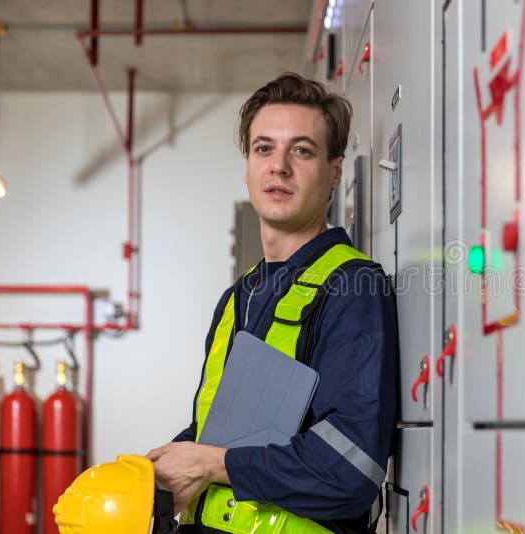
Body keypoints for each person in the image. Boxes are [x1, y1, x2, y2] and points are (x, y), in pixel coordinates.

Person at [147, 72, 398, 534]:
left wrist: (209, 465)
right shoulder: (238, 297)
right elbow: (221, 436)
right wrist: (158, 468)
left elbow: (351, 471)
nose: (279, 166)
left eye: (301, 150)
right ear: (247, 166)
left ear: (335, 171)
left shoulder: (353, 288)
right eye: (264, 148)